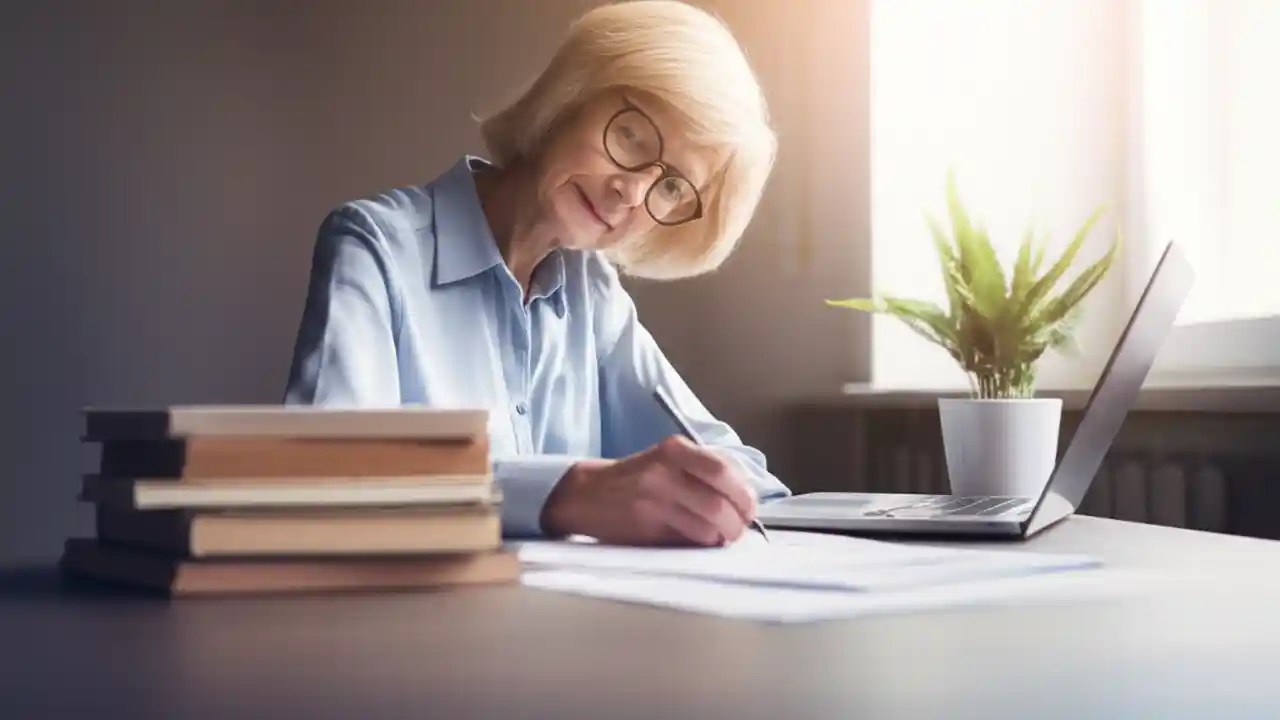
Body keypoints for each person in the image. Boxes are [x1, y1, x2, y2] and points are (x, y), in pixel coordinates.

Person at [283, 1, 789, 546]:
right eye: (632, 136)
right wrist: (567, 493)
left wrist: (721, 493)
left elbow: (735, 469)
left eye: (670, 186)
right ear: (570, 96)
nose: (632, 191)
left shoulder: (593, 292)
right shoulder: (377, 245)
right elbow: (326, 470)